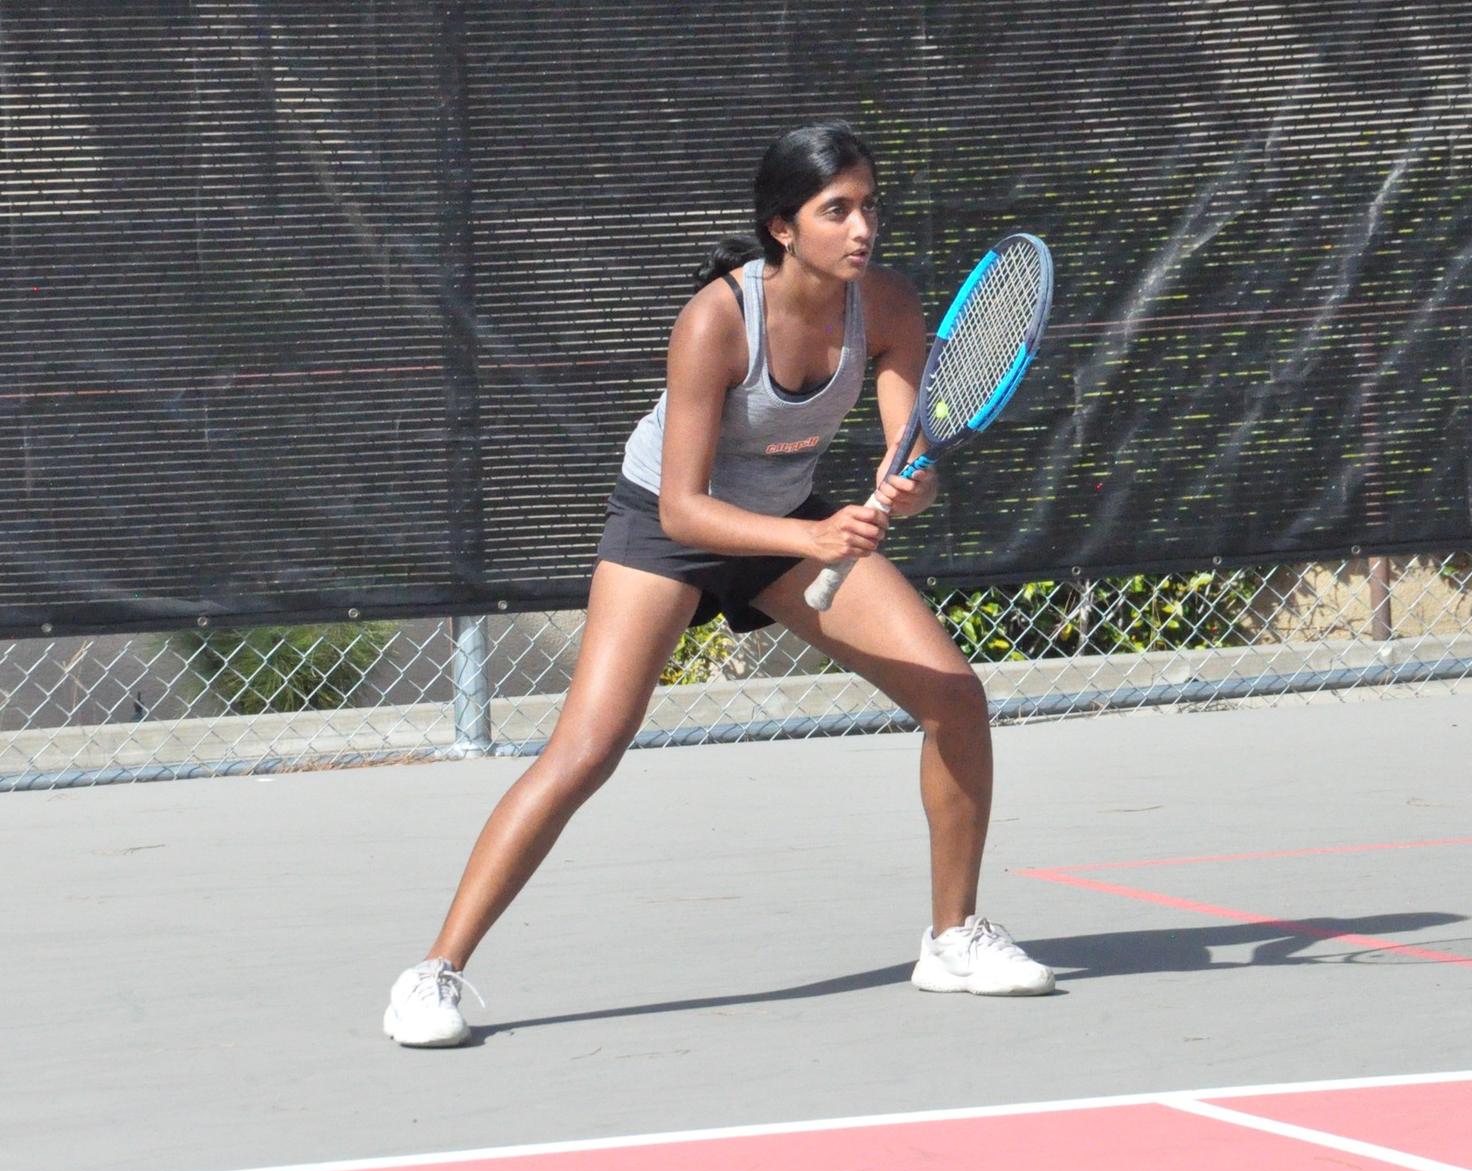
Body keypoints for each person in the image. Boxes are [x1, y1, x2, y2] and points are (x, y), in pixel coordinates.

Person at [384, 122, 1054, 1048]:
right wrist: (813, 535)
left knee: (955, 699)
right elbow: (683, 512)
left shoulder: (887, 304)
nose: (862, 228)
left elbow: (914, 449)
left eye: (869, 206)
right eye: (837, 210)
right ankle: (433, 975)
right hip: (670, 527)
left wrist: (907, 488)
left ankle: (952, 939)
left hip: (788, 520)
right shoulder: (716, 319)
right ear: (784, 227)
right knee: (584, 752)